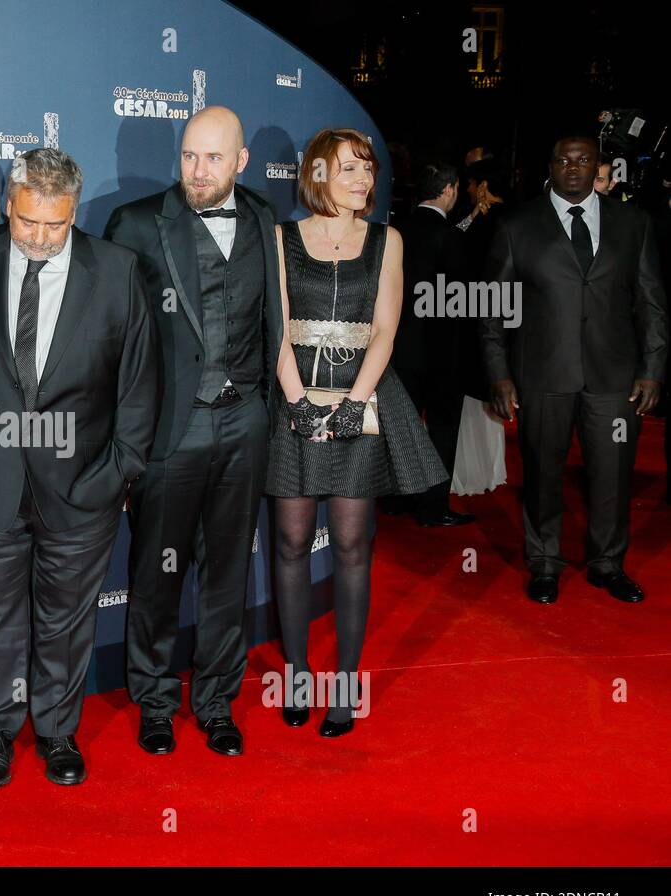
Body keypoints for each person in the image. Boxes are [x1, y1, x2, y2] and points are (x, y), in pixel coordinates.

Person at [0, 148, 159, 787]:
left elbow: (140, 384)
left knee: (67, 618)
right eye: (28, 222)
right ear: (7, 204)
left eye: (56, 226)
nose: (40, 239)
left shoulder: (118, 271)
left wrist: (116, 474)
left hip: (82, 486)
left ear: (75, 211)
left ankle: (57, 732)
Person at [103, 106, 282, 757]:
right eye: (187, 156)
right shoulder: (135, 224)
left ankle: (215, 703)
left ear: (241, 162)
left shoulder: (264, 219)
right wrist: (122, 448)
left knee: (228, 573)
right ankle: (154, 702)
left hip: (245, 422)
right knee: (156, 574)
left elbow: (274, 321)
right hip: (168, 433)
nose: (197, 171)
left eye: (212, 158)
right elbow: (110, 344)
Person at [265, 129, 447, 737]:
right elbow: (279, 328)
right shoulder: (282, 239)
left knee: (351, 547)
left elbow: (385, 329)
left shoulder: (387, 240)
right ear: (317, 173)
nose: (363, 179)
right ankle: (294, 674)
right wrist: (296, 402)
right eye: (348, 168)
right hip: (293, 403)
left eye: (367, 168)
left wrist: (351, 405)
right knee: (289, 545)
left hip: (361, 405)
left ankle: (343, 686)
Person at [482, 135, 668, 604]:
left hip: (615, 377)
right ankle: (544, 562)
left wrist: (653, 368)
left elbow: (652, 303)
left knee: (613, 474)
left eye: (584, 160)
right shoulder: (517, 225)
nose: (573, 168)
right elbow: (491, 308)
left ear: (598, 167)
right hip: (542, 377)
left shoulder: (634, 223)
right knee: (542, 473)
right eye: (563, 159)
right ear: (551, 165)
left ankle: (608, 563)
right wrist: (499, 373)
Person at [387, 161, 477, 526]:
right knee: (441, 431)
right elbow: (462, 303)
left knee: (401, 428)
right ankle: (432, 506)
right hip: (442, 354)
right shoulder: (453, 238)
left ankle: (397, 499)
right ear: (450, 189)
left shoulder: (395, 231)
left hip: (398, 350)